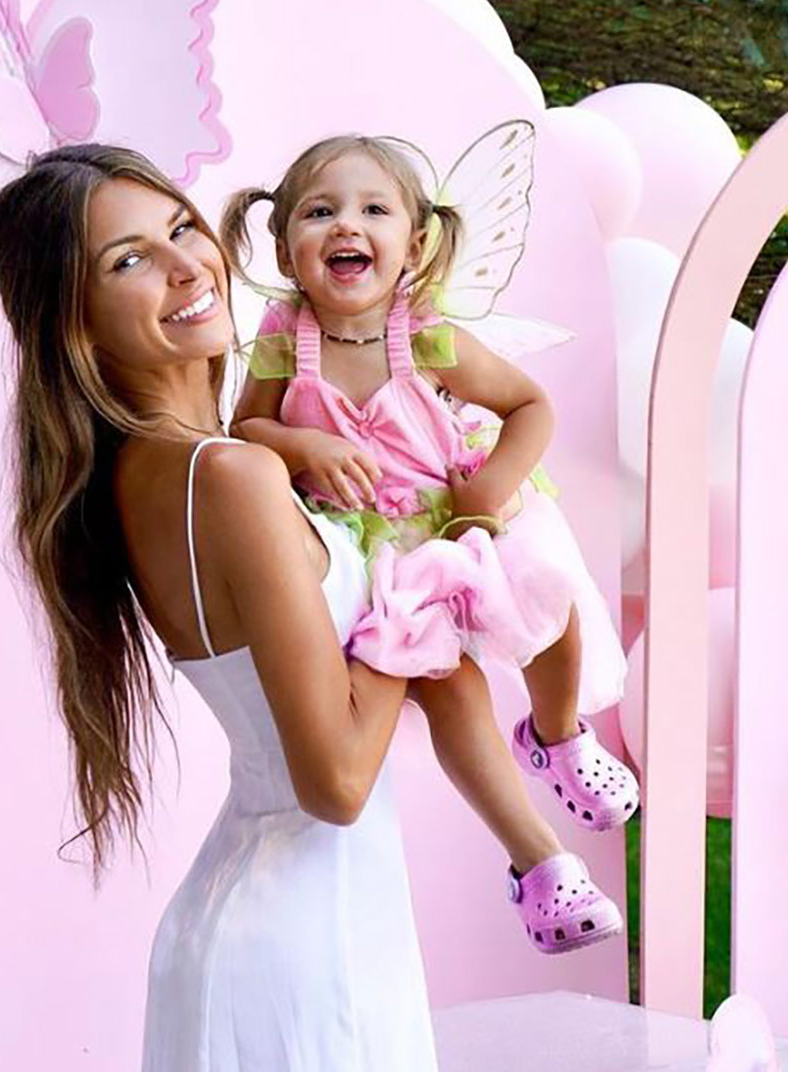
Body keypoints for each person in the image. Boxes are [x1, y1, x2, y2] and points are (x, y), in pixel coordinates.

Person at [0, 144, 438, 1071]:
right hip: (308, 954)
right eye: (129, 260)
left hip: (268, 927)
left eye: (182, 227)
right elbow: (339, 783)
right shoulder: (227, 476)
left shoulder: (165, 470)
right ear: (72, 321)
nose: (188, 265)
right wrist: (413, 567)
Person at [222, 133, 637, 954]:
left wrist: (487, 493)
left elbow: (530, 407)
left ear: (413, 243)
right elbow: (247, 428)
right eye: (320, 211)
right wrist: (302, 448)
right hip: (381, 556)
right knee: (449, 689)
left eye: (374, 209)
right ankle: (540, 867)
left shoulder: (427, 334)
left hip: (462, 516)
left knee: (549, 592)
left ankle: (556, 736)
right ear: (285, 245)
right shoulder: (282, 335)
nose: (347, 225)